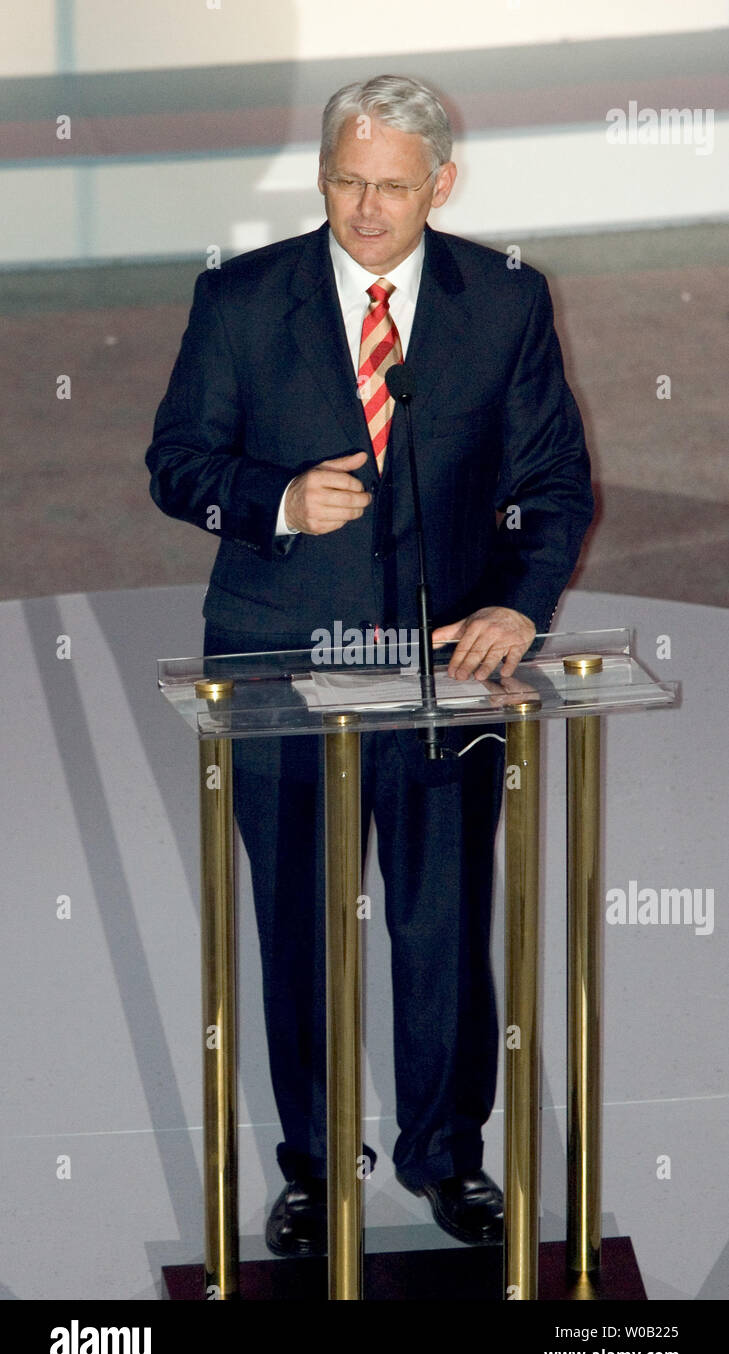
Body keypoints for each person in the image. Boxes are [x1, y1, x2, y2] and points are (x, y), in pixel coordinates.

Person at [146, 74, 593, 1257]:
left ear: (441, 184)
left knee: (441, 923)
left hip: (446, 672)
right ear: (326, 172)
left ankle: (450, 1159)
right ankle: (311, 1164)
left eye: (394, 186)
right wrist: (277, 499)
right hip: (278, 665)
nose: (366, 208)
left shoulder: (503, 302)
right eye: (347, 180)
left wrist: (517, 603)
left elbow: (552, 486)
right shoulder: (240, 299)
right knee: (299, 926)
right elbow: (176, 461)